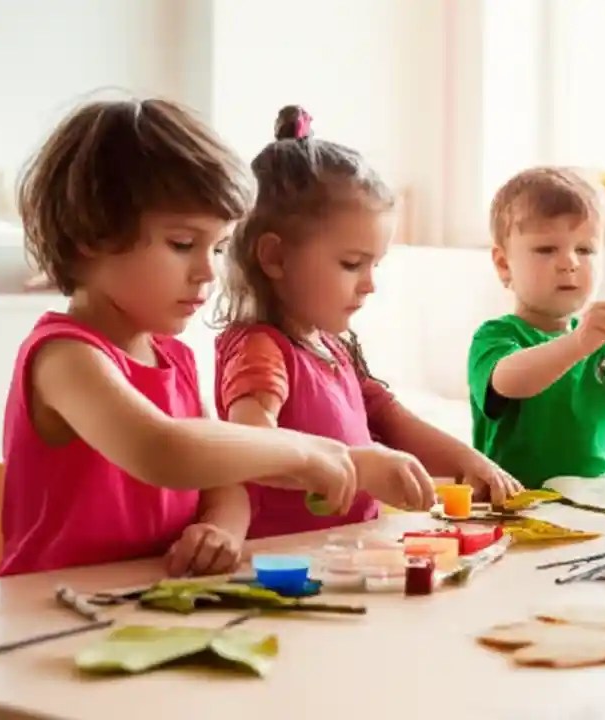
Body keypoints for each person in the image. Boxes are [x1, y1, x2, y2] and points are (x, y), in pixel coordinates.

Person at [0, 97, 370, 577]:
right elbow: (162, 450)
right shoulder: (65, 356)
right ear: (91, 235)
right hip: (50, 612)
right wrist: (302, 452)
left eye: (216, 247)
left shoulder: (174, 359)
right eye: (182, 245)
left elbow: (225, 486)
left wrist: (221, 530)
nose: (206, 272)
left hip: (150, 605)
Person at [213, 105, 518, 539]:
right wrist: (356, 464)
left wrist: (469, 461)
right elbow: (250, 444)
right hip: (286, 557)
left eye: (375, 264)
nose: (369, 284)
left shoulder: (330, 347)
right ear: (275, 257)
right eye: (352, 264)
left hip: (346, 549)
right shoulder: (261, 349)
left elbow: (392, 420)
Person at [468, 166, 605, 489]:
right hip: (523, 512)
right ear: (504, 264)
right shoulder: (496, 336)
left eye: (585, 249)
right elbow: (508, 381)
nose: (569, 262)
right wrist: (577, 344)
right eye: (547, 249)